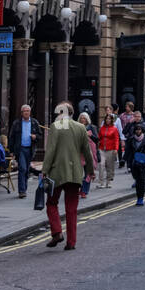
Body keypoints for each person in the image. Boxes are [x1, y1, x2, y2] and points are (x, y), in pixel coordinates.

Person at [41, 102, 95, 250]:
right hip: (75, 173)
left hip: (56, 173)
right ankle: (71, 242)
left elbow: (50, 151)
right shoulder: (80, 127)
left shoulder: (55, 126)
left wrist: (44, 170)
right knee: (71, 209)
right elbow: (87, 152)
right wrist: (90, 171)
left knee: (51, 203)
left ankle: (57, 232)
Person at [7, 104, 43, 199]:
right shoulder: (17, 123)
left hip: (30, 149)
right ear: (22, 113)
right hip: (20, 149)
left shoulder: (34, 123)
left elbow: (40, 136)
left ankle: (24, 189)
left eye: (28, 111)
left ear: (30, 112)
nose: (26, 113)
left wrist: (35, 137)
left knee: (26, 170)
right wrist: (11, 150)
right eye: (24, 111)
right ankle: (22, 191)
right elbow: (11, 137)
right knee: (22, 168)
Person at [130, 122, 145, 205]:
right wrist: (124, 160)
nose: (138, 131)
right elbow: (128, 151)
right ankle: (138, 196)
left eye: (139, 129)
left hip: (144, 162)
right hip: (134, 162)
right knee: (137, 179)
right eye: (136, 129)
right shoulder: (131, 139)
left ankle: (140, 198)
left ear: (142, 130)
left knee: (141, 179)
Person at [96, 111, 120, 188]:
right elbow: (98, 138)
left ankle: (108, 182)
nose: (108, 120)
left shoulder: (114, 129)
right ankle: (101, 182)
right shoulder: (102, 128)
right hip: (102, 149)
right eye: (107, 119)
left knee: (109, 166)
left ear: (111, 120)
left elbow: (116, 139)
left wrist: (116, 149)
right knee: (101, 165)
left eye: (109, 119)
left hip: (111, 150)